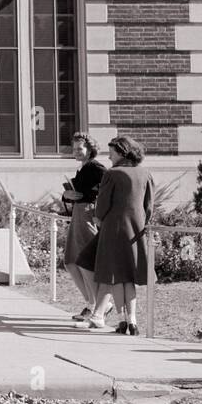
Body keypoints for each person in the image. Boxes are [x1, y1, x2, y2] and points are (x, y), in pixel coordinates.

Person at [85, 135, 154, 336]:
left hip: (113, 227)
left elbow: (103, 203)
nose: (109, 157)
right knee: (129, 276)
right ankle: (132, 320)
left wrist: (98, 219)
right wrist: (142, 221)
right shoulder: (145, 173)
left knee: (116, 276)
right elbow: (149, 206)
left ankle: (123, 320)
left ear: (122, 153)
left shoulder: (112, 174)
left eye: (112, 153)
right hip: (136, 227)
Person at [61, 133, 107, 322]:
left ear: (89, 149)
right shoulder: (84, 168)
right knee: (71, 261)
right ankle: (90, 302)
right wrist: (67, 195)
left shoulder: (95, 167)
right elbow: (73, 193)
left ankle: (99, 304)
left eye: (80, 148)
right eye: (73, 149)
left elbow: (107, 185)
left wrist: (96, 202)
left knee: (85, 260)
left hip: (88, 213)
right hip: (78, 213)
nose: (76, 152)